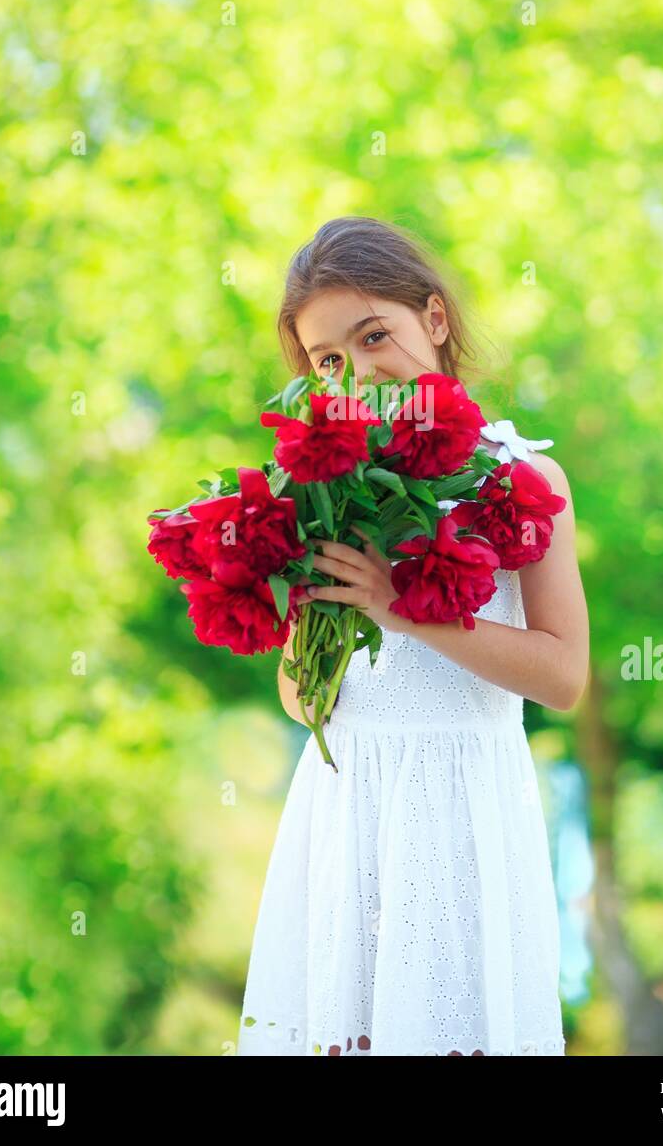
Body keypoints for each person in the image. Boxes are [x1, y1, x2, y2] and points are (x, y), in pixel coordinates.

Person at [236, 215, 589, 1056]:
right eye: (328, 360)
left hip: (462, 809)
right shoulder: (333, 487)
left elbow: (564, 676)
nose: (355, 373)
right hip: (348, 806)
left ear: (433, 321)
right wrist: (310, 593)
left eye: (373, 336)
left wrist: (399, 605)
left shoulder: (521, 477)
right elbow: (300, 698)